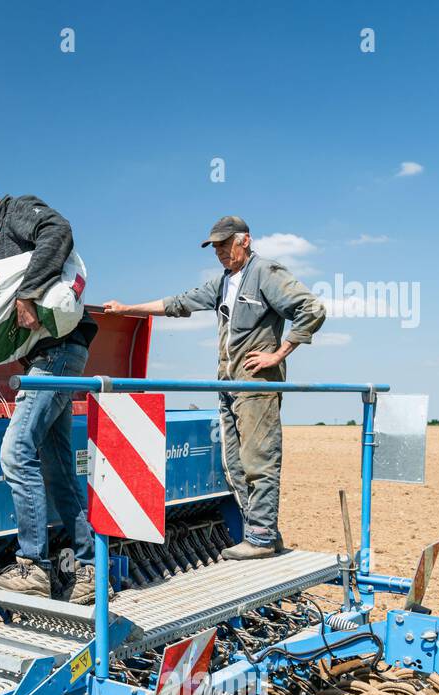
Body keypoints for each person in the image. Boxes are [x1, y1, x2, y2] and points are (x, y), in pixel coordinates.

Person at [102, 216, 326, 559]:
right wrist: (127, 309)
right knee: (234, 461)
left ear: (245, 240)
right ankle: (261, 532)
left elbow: (311, 309)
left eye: (225, 244)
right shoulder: (223, 283)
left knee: (259, 460)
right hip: (227, 384)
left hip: (255, 385)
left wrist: (278, 353)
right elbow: (179, 303)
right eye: (216, 247)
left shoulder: (265, 272)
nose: (220, 252)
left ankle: (262, 539)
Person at [0, 180, 103, 601]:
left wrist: (29, 293)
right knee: (57, 467)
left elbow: (59, 230)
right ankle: (88, 569)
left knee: (16, 453)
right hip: (51, 358)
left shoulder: (19, 211)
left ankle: (33, 568)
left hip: (54, 355)